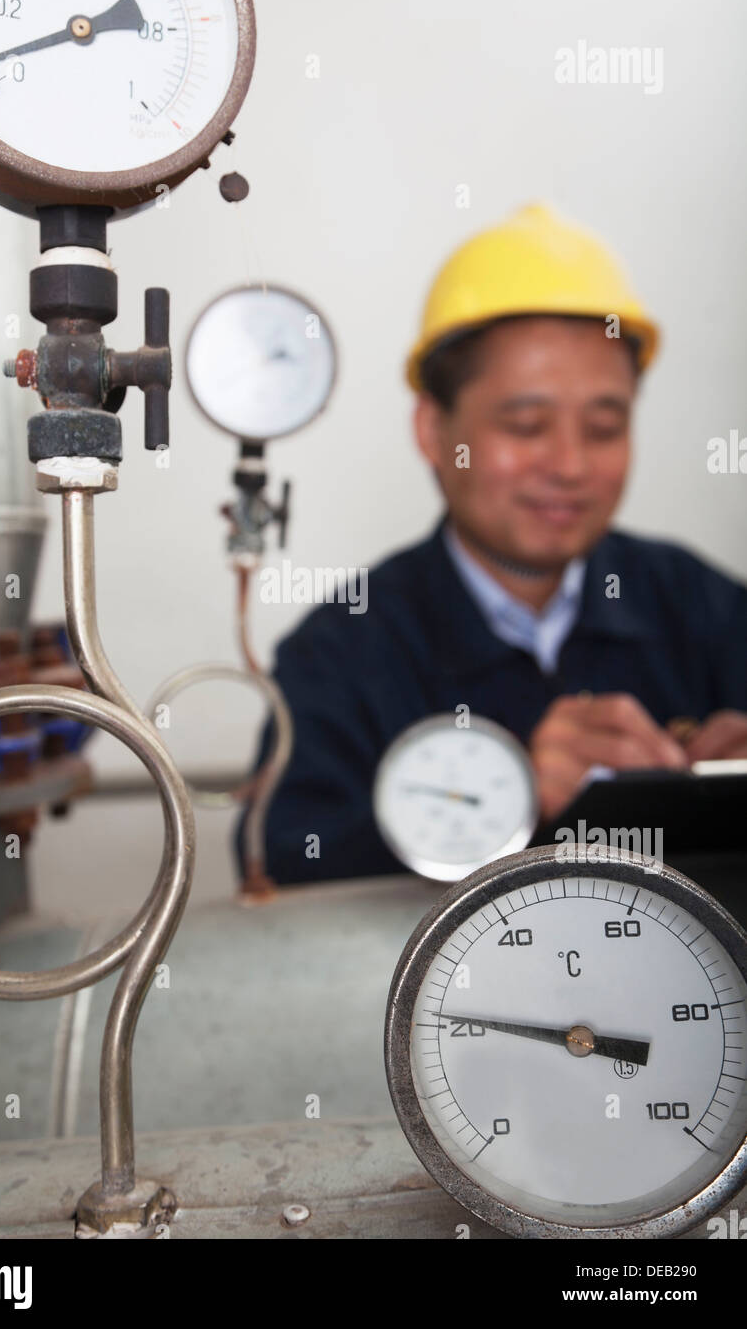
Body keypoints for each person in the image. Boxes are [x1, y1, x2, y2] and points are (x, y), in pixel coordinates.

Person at [239, 204, 747, 885]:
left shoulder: (705, 609)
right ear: (432, 431)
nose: (569, 465)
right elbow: (282, 867)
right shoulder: (340, 654)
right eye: (527, 424)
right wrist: (507, 806)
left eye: (603, 428)